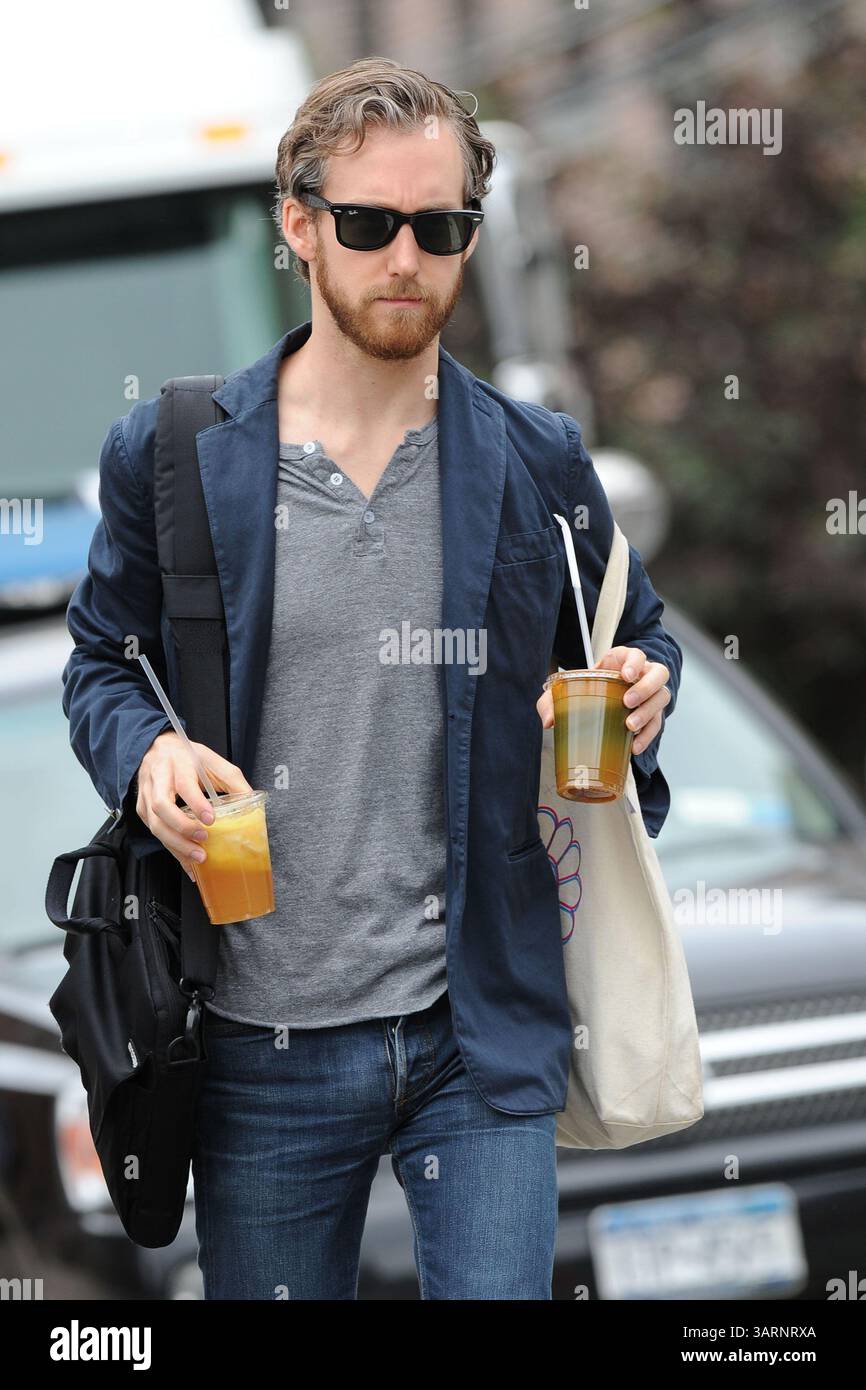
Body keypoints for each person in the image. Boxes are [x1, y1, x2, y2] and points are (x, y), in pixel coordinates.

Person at [62, 56, 681, 1300]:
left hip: (477, 1033)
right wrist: (147, 753)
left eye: (440, 226)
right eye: (367, 223)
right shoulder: (177, 455)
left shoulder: (532, 457)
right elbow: (97, 665)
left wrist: (642, 687)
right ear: (298, 226)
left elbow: (638, 639)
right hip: (256, 1043)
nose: (405, 256)